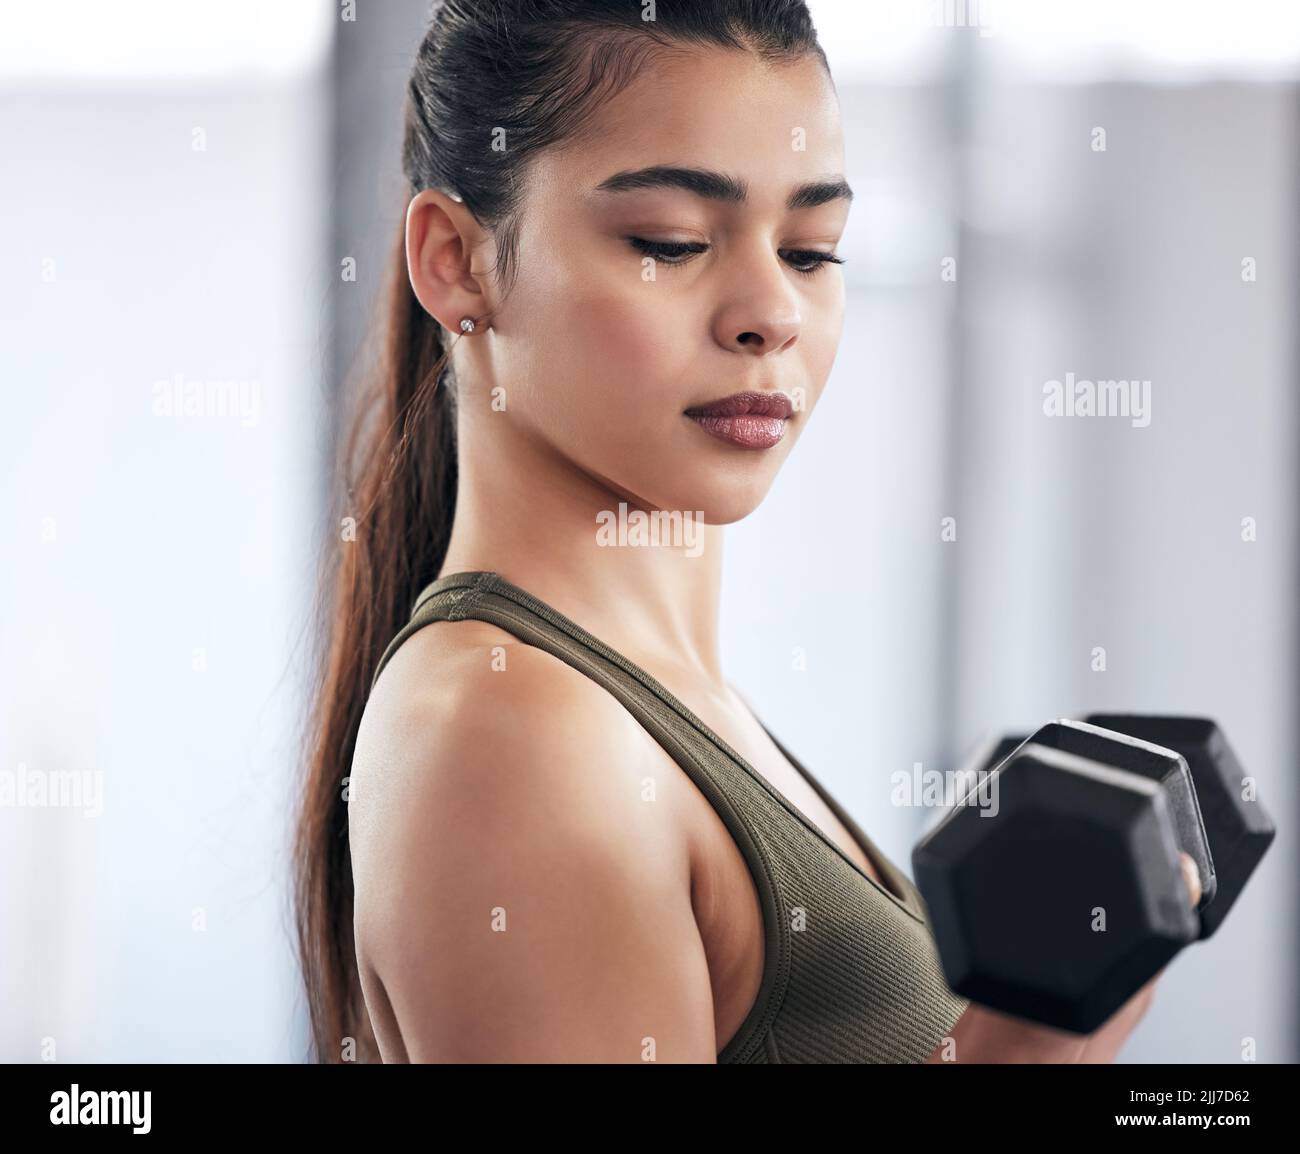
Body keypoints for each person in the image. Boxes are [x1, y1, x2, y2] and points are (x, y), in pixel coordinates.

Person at [295, 0, 1190, 1064]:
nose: (771, 310)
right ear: (455, 261)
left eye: (812, 249)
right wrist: (1023, 1050)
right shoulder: (511, 732)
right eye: (669, 242)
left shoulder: (657, 704)